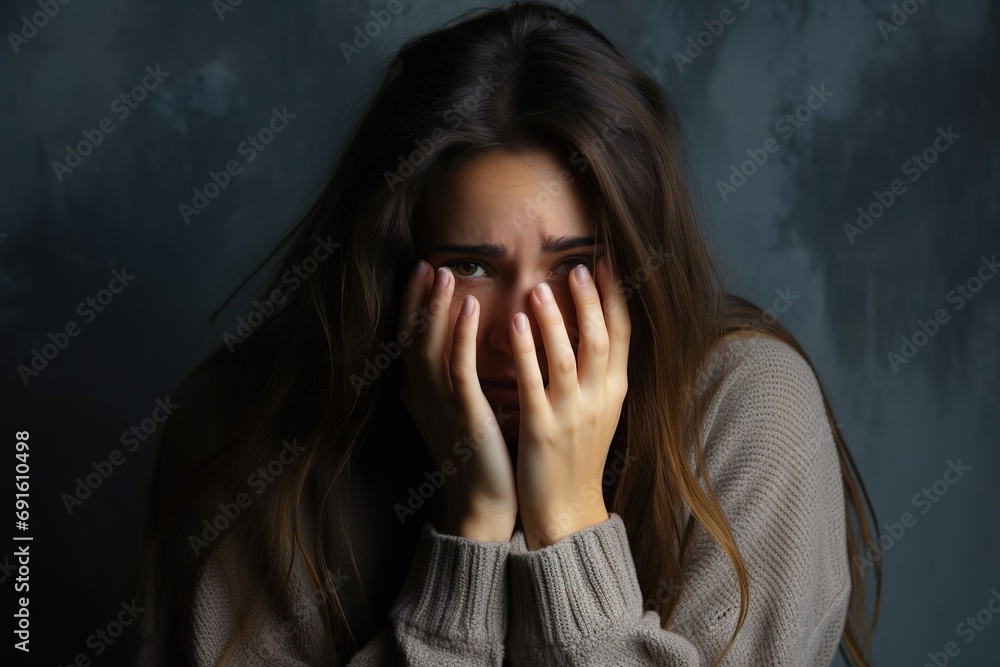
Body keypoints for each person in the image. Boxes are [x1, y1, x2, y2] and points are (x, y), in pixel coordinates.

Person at [134, 1, 882, 665]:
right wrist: (471, 533)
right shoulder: (244, 432)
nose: (523, 334)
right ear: (398, 268)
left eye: (573, 266)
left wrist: (569, 524)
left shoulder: (750, 408)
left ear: (634, 268)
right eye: (471, 266)